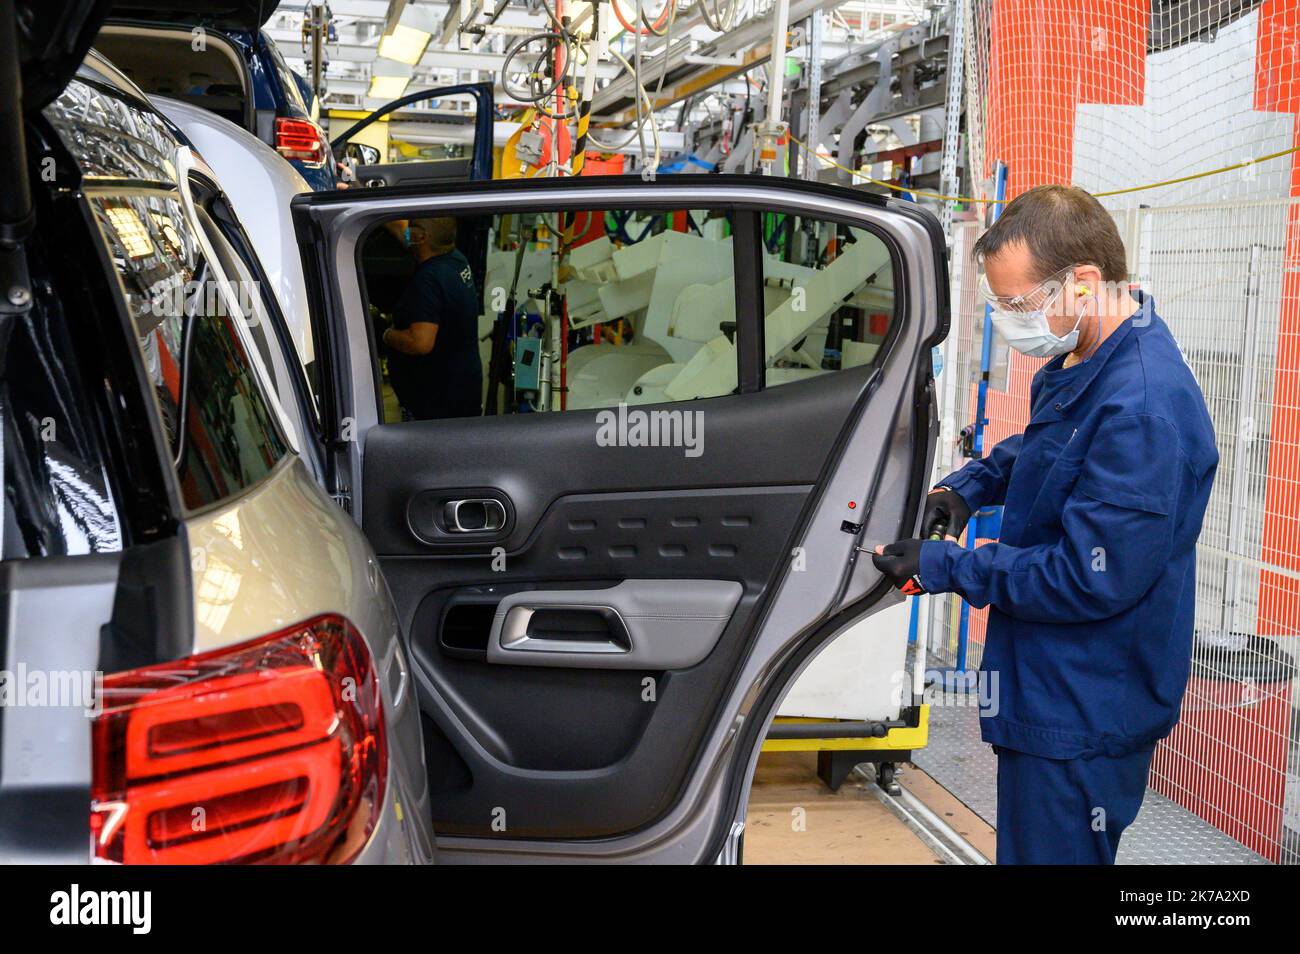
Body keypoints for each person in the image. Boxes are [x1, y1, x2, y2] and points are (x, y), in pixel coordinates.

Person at [872, 184, 1218, 864]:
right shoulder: (1091, 354)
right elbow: (1045, 447)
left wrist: (945, 565)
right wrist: (968, 491)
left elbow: (1087, 578)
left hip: (1085, 705)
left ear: (1083, 282)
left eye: (1018, 303)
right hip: (1050, 683)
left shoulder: (1143, 408)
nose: (1009, 320)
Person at [382, 217, 482, 420]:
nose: (408, 232)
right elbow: (404, 232)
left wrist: (385, 334)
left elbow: (421, 343)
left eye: (413, 229)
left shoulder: (429, 280)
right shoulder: (456, 259)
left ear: (422, 237)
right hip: (462, 391)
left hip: (438, 406)